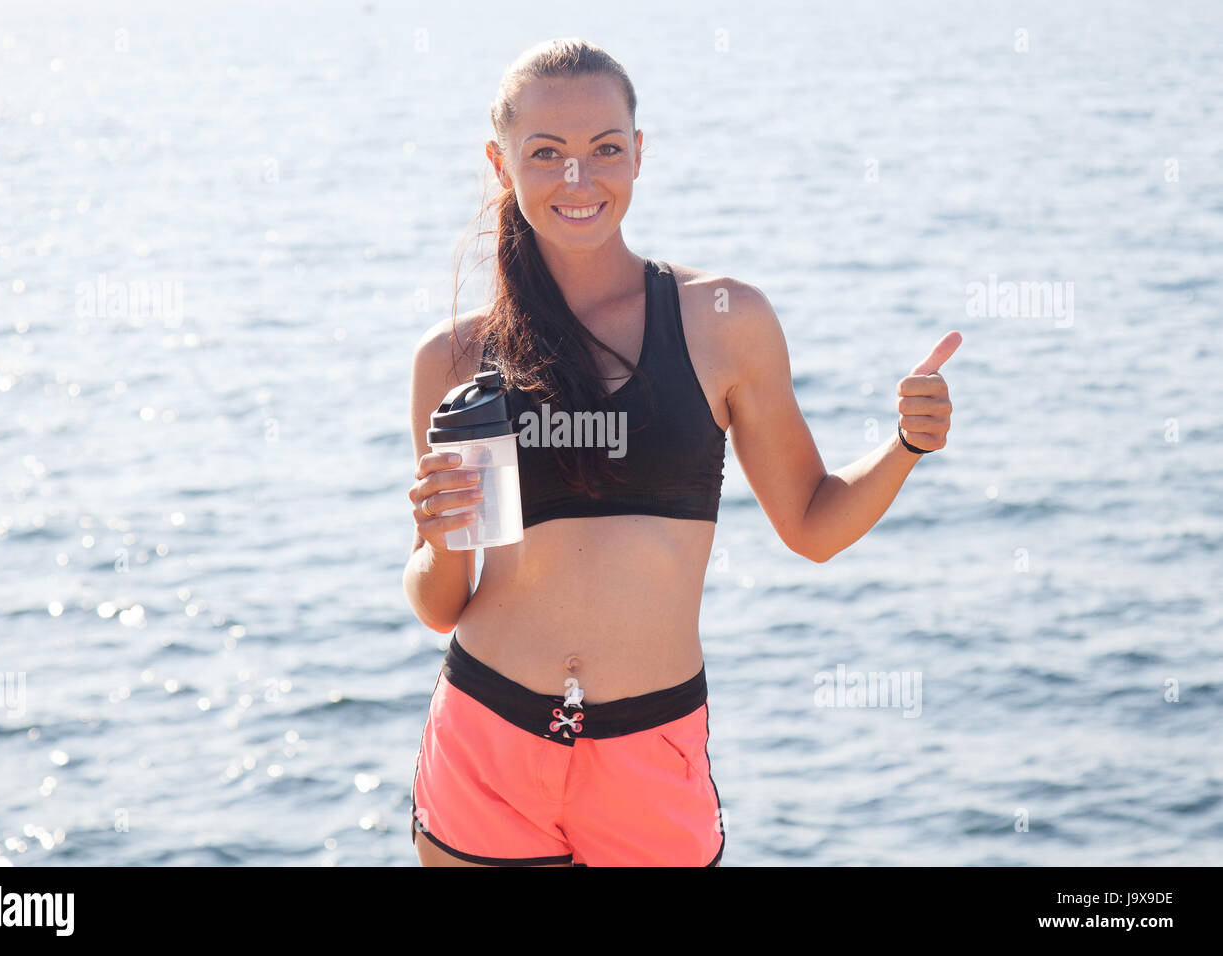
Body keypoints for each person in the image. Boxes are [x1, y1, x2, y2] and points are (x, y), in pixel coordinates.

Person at [403, 37, 959, 866]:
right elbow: (440, 600)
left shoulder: (723, 322)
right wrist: (441, 535)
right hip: (489, 741)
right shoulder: (452, 355)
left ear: (639, 153)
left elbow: (811, 525)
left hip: (648, 749)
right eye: (545, 155)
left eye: (606, 151)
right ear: (500, 162)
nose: (578, 180)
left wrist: (908, 444)